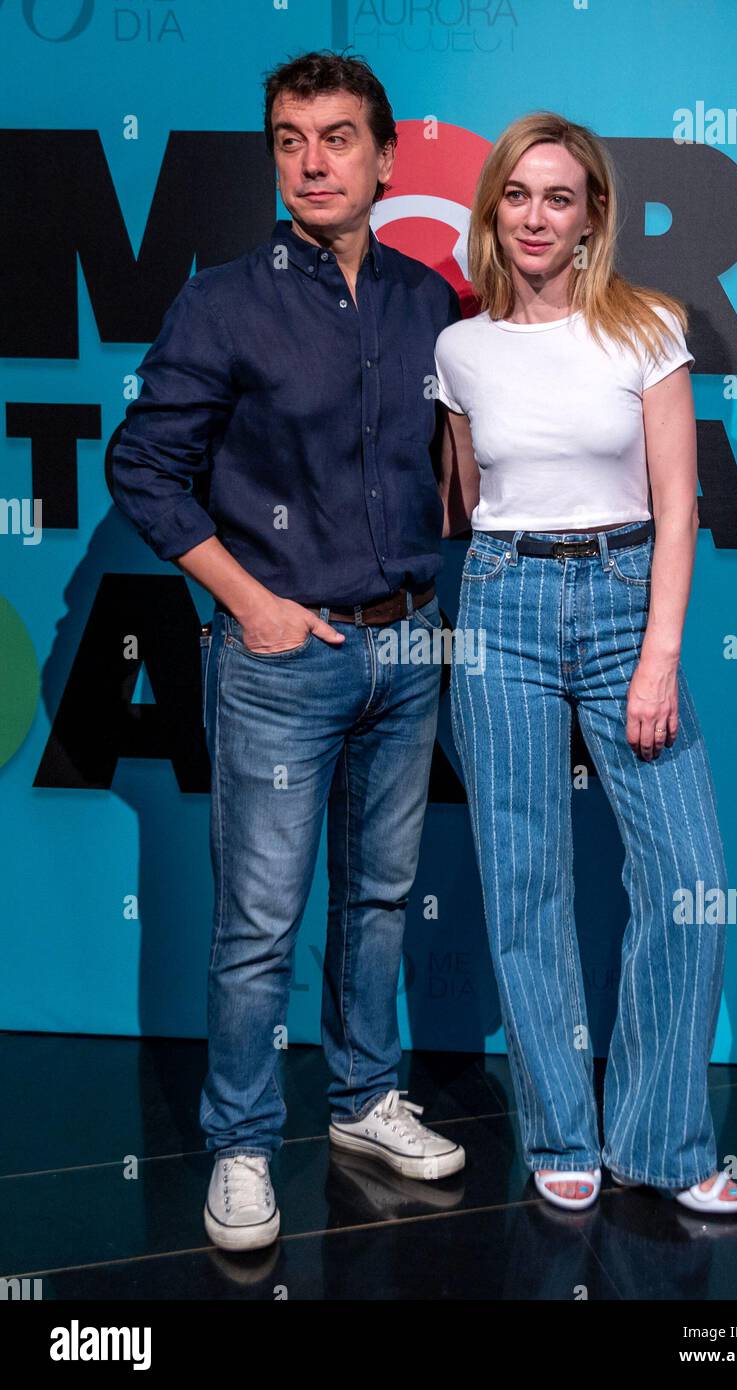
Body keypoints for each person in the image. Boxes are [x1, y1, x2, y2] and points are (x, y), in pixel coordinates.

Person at [110, 51, 465, 1253]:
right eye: (289, 139)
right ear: (273, 154)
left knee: (374, 901)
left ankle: (364, 1099)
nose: (312, 162)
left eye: (336, 138)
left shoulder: (431, 302)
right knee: (259, 926)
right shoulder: (220, 302)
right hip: (279, 661)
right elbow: (142, 468)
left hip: (407, 648)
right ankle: (244, 1145)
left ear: (383, 154)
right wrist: (248, 602)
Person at [434, 111, 737, 1216]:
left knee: (687, 876)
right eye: (517, 194)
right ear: (494, 209)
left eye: (558, 197)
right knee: (524, 879)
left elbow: (678, 506)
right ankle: (561, 1127)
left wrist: (660, 654)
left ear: (591, 217)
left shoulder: (650, 327)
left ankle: (663, 1138)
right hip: (503, 599)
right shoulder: (460, 349)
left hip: (625, 601)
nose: (534, 215)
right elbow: (471, 503)